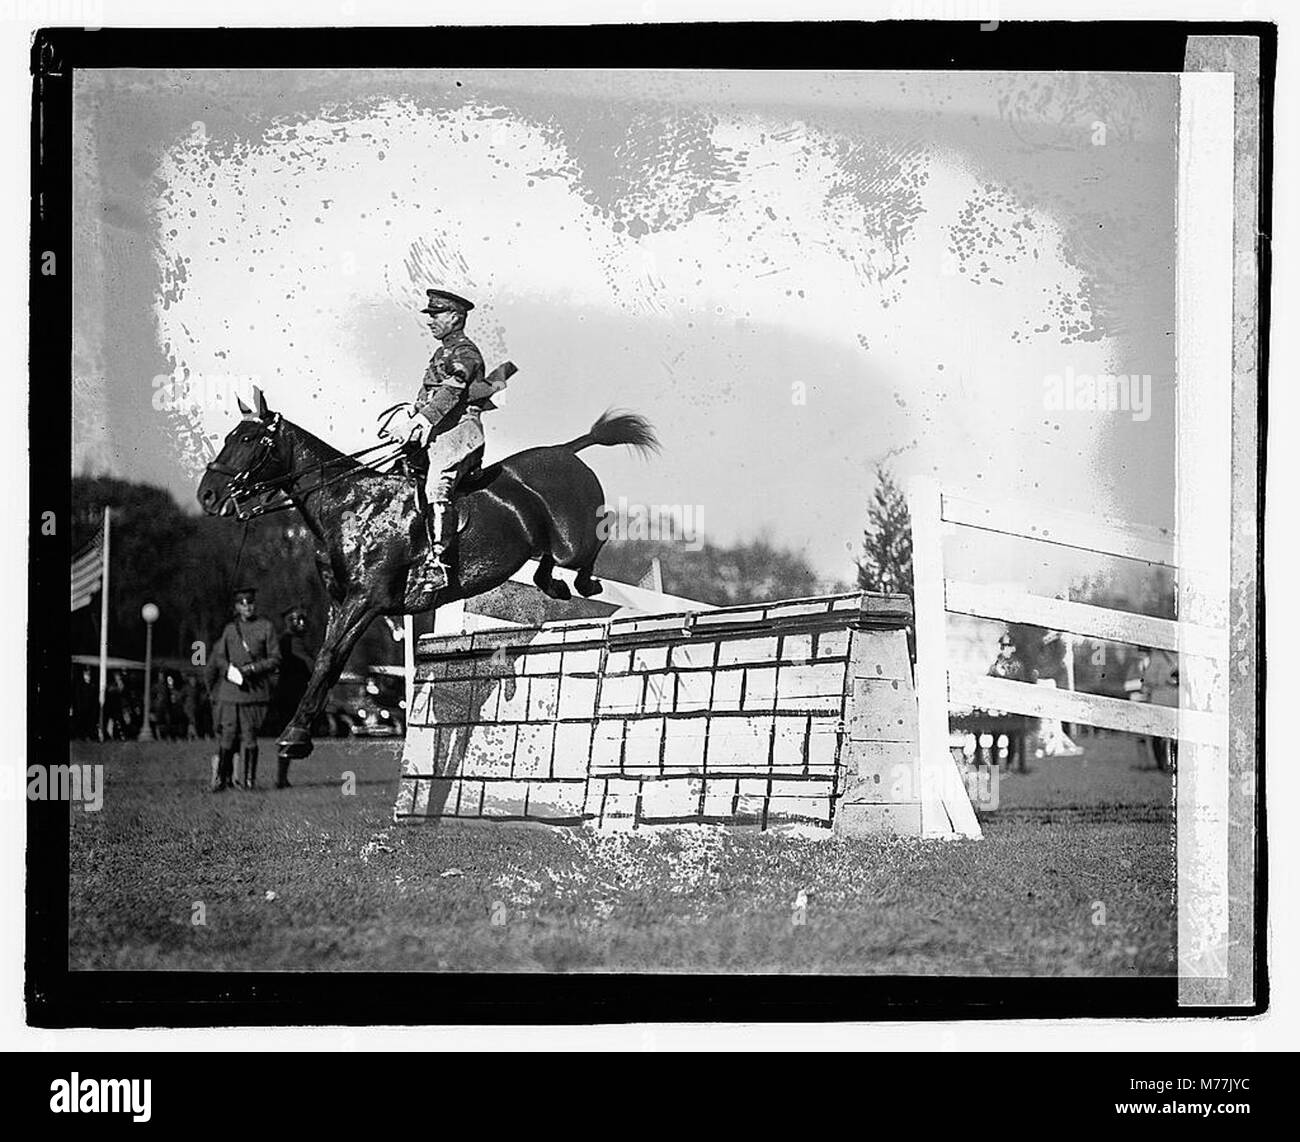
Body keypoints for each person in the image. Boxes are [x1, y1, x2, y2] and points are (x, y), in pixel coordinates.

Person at [388, 288, 508, 595]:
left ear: (455, 317)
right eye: (430, 315)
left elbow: (452, 391)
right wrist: (409, 416)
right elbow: (427, 393)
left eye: (435, 315)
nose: (430, 322)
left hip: (460, 431)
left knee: (435, 486)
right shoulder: (441, 352)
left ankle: (437, 565)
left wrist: (423, 419)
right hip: (439, 430)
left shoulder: (465, 353)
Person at [210, 586, 281, 791]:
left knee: (250, 735)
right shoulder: (230, 630)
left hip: (254, 692)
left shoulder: (265, 627)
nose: (247, 607)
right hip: (231, 691)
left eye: (250, 603)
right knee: (228, 734)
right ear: (236, 608)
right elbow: (219, 658)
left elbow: (275, 659)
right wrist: (229, 670)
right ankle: (222, 780)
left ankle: (250, 781)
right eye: (242, 604)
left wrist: (253, 668)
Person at [272, 603, 315, 736]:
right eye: (298, 619)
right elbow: (308, 663)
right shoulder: (292, 641)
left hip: (290, 689)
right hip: (292, 690)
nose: (302, 623)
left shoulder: (290, 639)